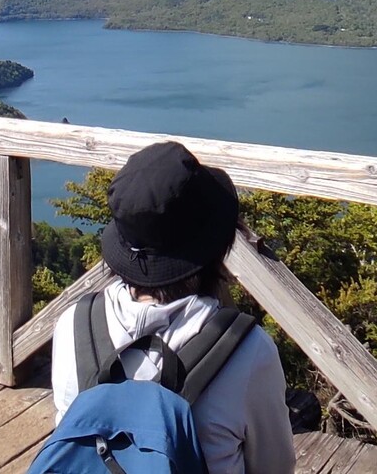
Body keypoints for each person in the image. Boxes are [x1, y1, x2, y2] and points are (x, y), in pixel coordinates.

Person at [51, 142, 296, 474]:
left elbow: (68, 431)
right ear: (216, 245)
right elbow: (274, 467)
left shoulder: (74, 325)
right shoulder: (249, 352)